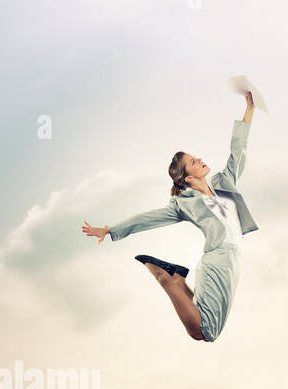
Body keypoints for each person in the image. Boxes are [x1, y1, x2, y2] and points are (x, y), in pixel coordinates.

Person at [82, 91, 257, 342]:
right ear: (188, 178)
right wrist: (110, 230)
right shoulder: (185, 204)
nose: (200, 159)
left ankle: (176, 277)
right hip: (219, 260)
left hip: (232, 260)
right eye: (194, 162)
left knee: (205, 326)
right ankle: (165, 277)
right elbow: (147, 218)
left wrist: (249, 109)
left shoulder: (224, 183)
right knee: (203, 331)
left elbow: (238, 150)